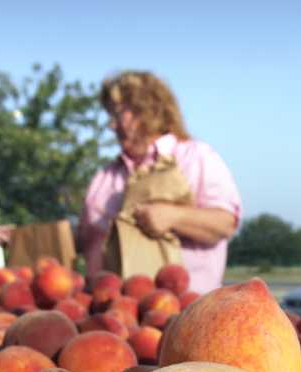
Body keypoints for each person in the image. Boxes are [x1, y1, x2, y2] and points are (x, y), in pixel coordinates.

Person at [78, 70, 242, 294]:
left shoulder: (195, 157)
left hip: (188, 312)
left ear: (147, 110)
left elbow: (225, 222)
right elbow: (84, 240)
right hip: (114, 313)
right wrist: (21, 240)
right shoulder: (106, 177)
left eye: (117, 115)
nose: (112, 126)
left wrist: (175, 216)